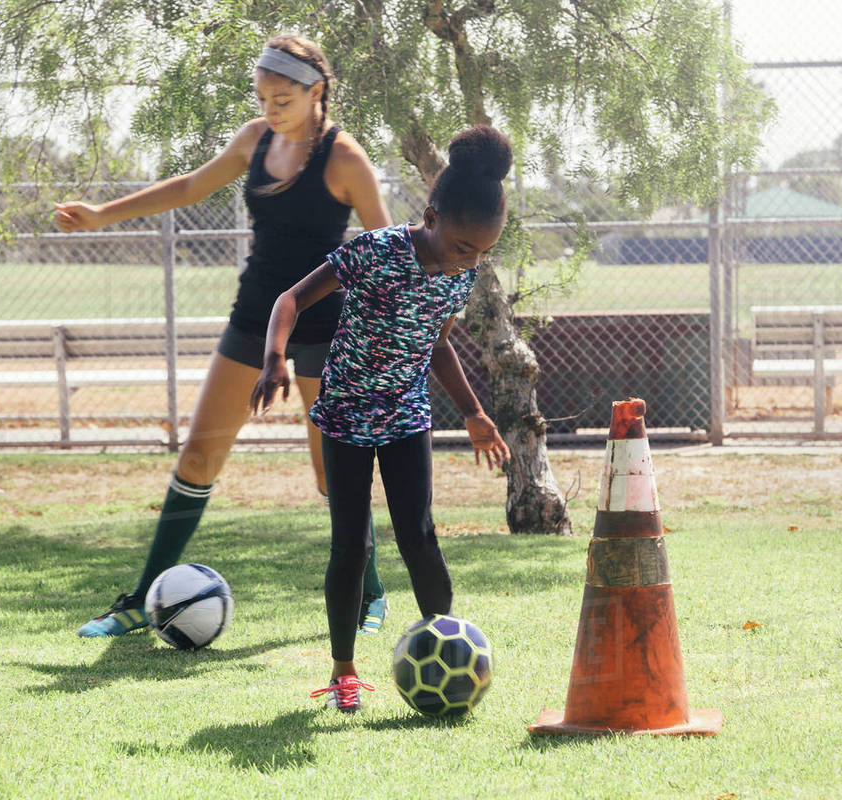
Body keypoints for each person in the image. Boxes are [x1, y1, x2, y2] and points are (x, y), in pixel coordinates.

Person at [56, 35, 392, 638]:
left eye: (283, 97)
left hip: (324, 327)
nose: (270, 108)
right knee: (198, 457)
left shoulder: (345, 159)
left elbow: (386, 248)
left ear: (317, 92)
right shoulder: (254, 139)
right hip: (254, 317)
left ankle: (370, 596)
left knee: (330, 474)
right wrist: (104, 214)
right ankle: (141, 601)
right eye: (262, 97)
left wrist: (384, 334)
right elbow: (188, 187)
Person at [250, 125, 513, 713]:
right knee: (351, 547)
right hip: (344, 415)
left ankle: (445, 651)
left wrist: (473, 412)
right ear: (432, 214)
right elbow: (288, 300)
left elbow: (438, 344)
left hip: (405, 418)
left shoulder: (460, 276)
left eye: (480, 253)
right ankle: (344, 671)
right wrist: (274, 360)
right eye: (462, 246)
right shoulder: (378, 250)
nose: (466, 260)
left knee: (419, 536)